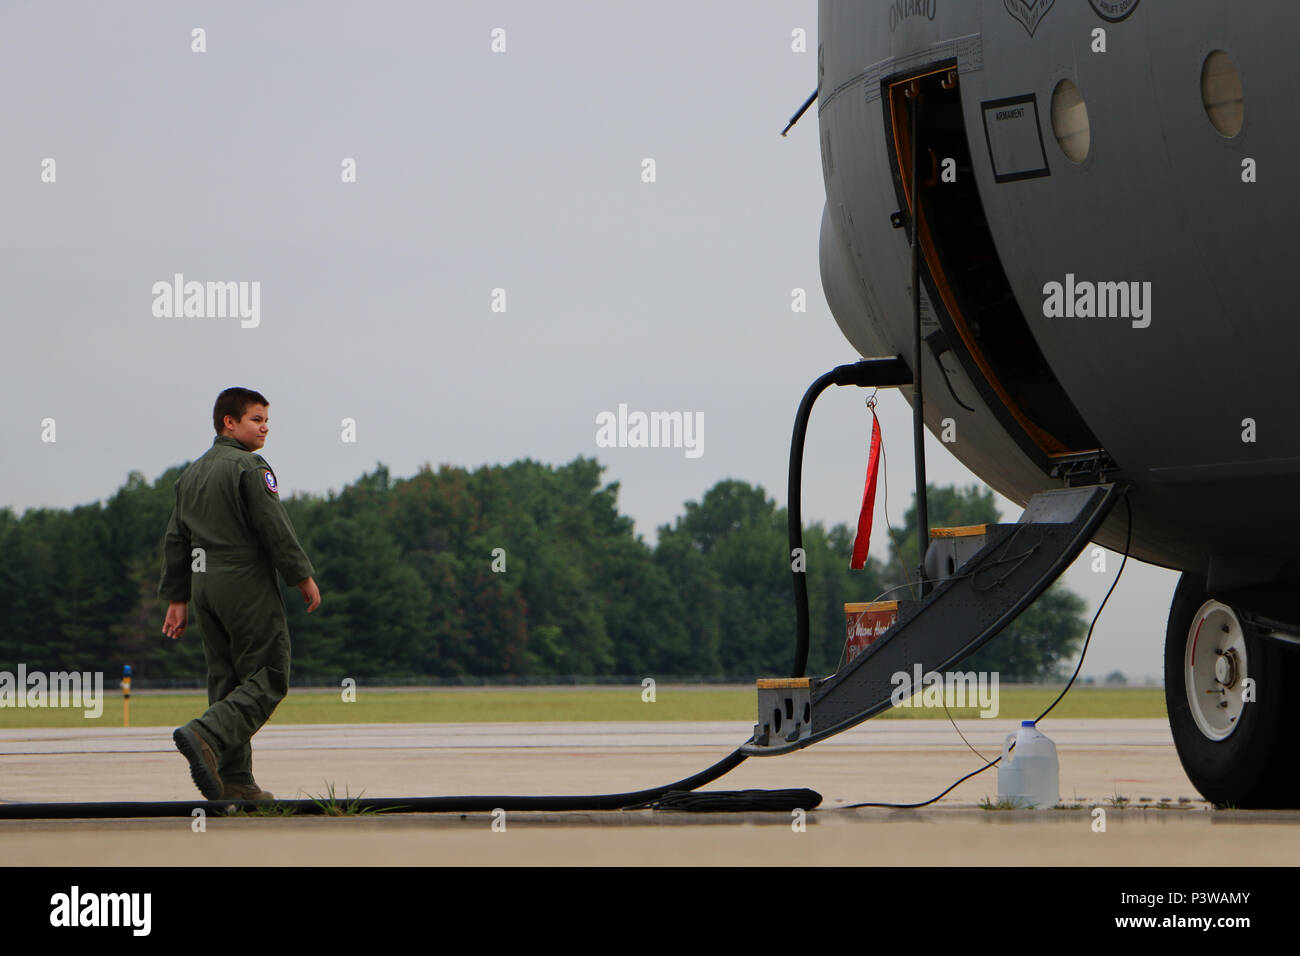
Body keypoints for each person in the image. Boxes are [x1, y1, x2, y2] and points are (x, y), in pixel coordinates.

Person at [158, 387, 321, 801]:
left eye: (267, 420)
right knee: (268, 672)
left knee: (227, 679)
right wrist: (300, 574)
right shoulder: (249, 467)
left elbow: (176, 538)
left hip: (204, 587)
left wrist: (178, 598)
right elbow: (273, 524)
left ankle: (234, 781)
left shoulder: (190, 474)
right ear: (228, 422)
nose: (264, 428)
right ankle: (206, 735)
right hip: (243, 579)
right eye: (256, 419)